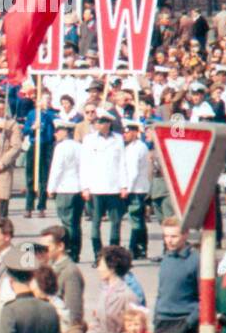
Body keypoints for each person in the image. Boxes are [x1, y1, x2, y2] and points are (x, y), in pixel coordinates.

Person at [81, 111, 127, 262]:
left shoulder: (118, 139)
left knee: (115, 222)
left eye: (101, 122)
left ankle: (113, 255)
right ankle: (98, 255)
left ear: (108, 123)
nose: (98, 125)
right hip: (95, 187)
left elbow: (122, 163)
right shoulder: (89, 140)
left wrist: (124, 185)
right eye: (97, 122)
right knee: (95, 223)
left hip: (113, 186)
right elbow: (84, 164)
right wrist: (85, 187)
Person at [46, 118, 84, 261]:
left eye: (57, 131)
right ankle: (76, 251)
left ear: (65, 132)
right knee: (76, 222)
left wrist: (51, 188)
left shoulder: (61, 147)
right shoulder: (79, 146)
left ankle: (70, 250)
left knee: (67, 222)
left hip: (65, 188)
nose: (55, 134)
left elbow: (57, 169)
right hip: (78, 188)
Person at [122, 120, 151, 260]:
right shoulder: (131, 147)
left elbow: (132, 172)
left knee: (135, 219)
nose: (125, 135)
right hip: (138, 187)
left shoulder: (137, 148)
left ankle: (134, 248)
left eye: (127, 132)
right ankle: (141, 248)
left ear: (134, 132)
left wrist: (127, 188)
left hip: (136, 188)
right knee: (139, 219)